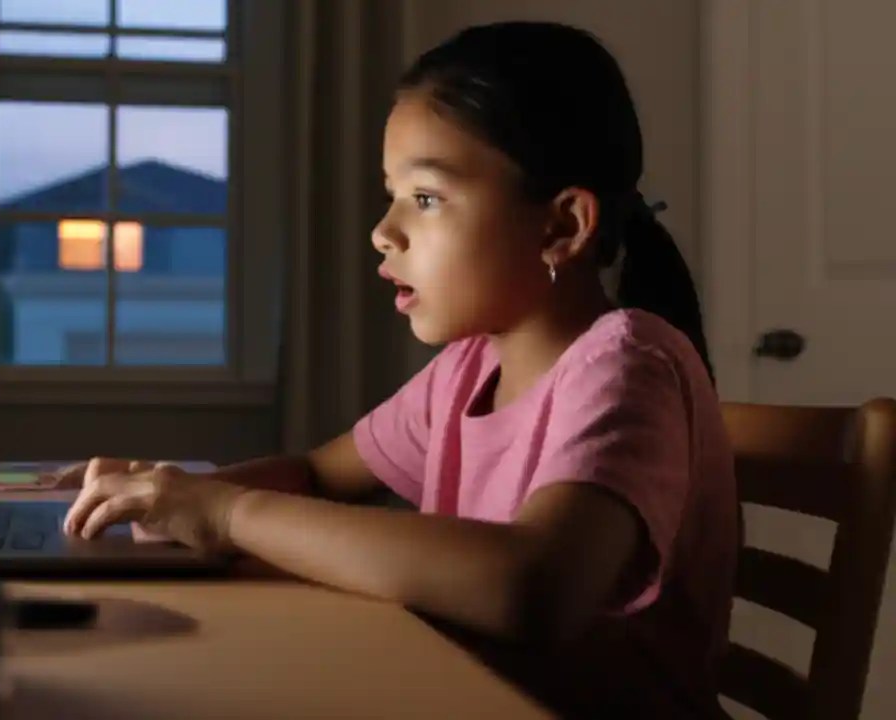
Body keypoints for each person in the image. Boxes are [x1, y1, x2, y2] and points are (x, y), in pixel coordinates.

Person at [58, 21, 737, 718]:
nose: (383, 230)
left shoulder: (628, 364)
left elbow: (530, 585)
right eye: (393, 194)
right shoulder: (469, 368)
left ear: (562, 226)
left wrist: (230, 515)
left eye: (426, 198)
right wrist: (162, 497)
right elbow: (319, 474)